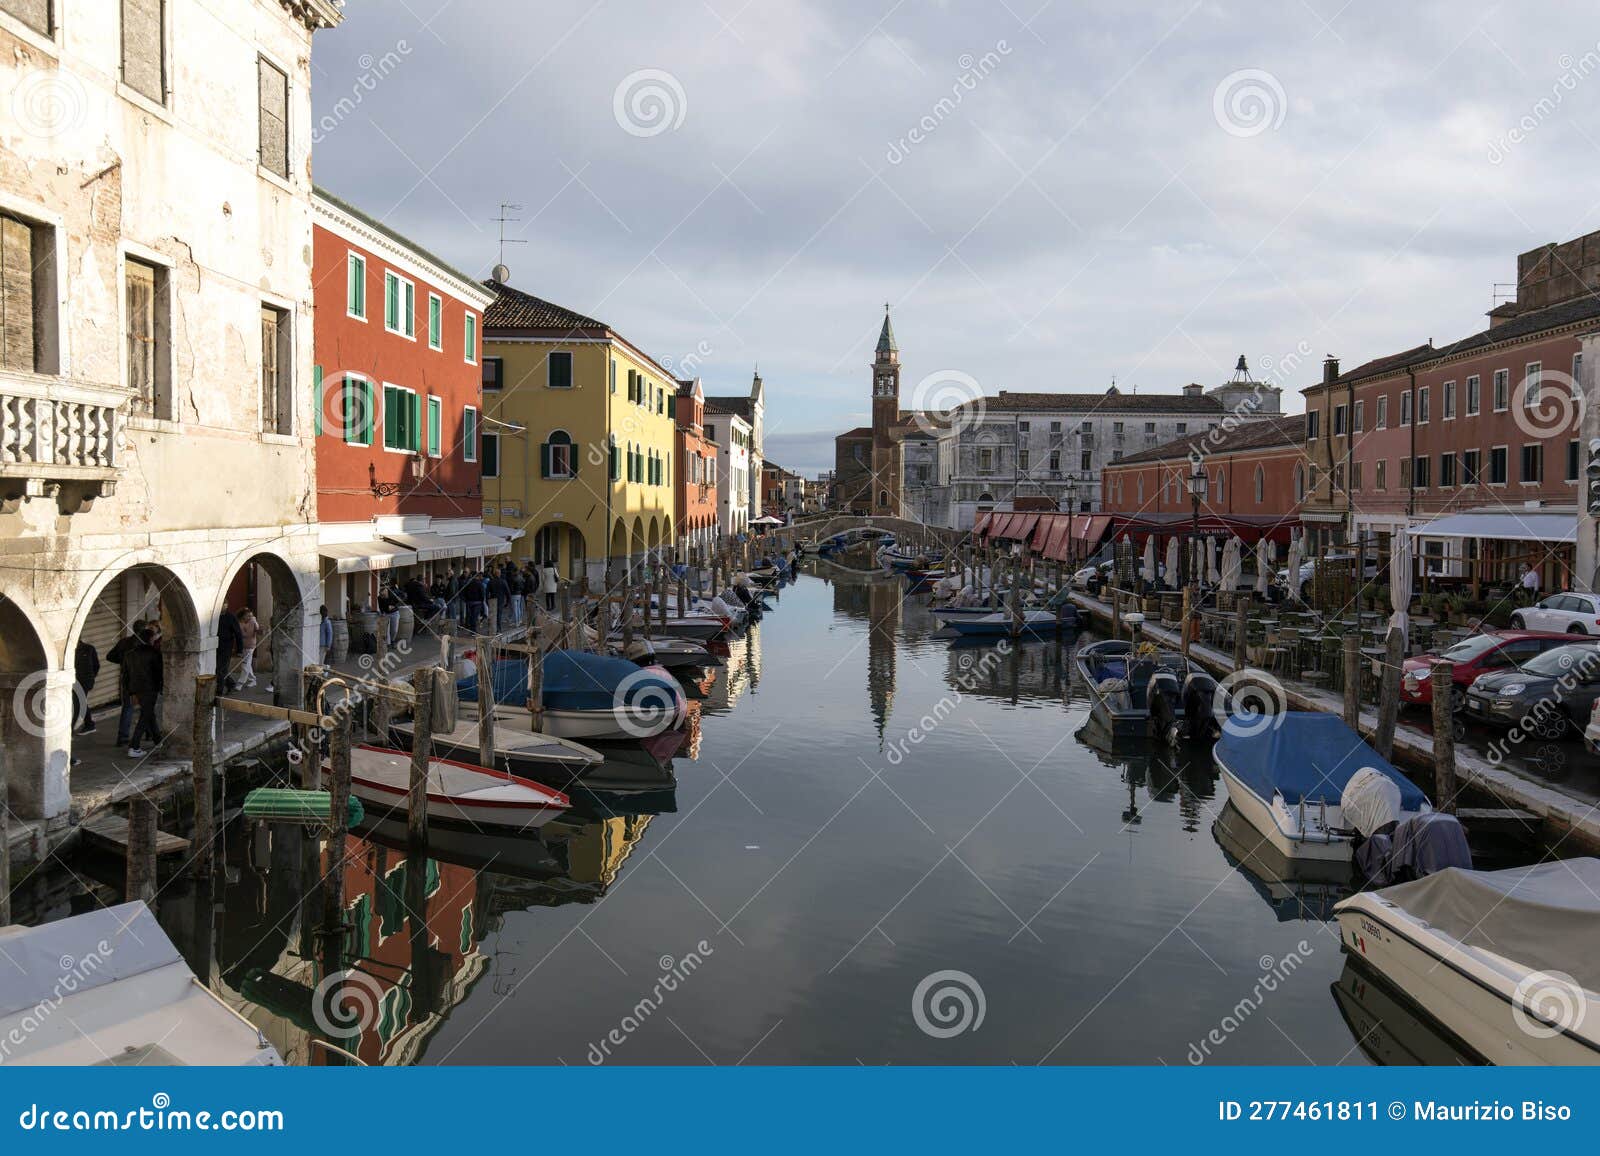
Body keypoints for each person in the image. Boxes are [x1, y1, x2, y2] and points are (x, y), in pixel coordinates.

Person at [125, 625, 164, 758]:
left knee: (149, 713)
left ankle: (158, 740)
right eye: (153, 637)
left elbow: (125, 674)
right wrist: (161, 687)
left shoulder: (130, 654)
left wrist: (129, 691)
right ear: (150, 638)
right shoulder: (154, 653)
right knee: (145, 715)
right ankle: (134, 746)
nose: (154, 639)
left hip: (136, 689)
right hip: (150, 688)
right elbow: (159, 672)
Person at [107, 620, 144, 747]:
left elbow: (110, 656)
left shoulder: (124, 642)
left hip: (126, 677)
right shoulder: (144, 644)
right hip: (141, 679)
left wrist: (123, 662)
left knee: (127, 707)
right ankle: (150, 734)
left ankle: (123, 737)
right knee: (146, 707)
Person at [73, 638, 100, 735]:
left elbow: (96, 665)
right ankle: (89, 724)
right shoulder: (70, 650)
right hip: (74, 681)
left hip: (85, 681)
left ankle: (71, 731)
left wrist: (91, 677)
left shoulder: (89, 649)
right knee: (80, 701)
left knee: (78, 703)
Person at [216, 606, 243, 692]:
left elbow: (238, 633)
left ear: (227, 605)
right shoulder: (215, 616)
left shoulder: (231, 617)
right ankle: (230, 684)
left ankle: (219, 691)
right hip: (215, 646)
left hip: (226, 647)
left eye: (224, 604)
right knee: (220, 669)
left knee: (220, 669)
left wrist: (240, 649)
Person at [237, 607, 261, 688]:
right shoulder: (239, 622)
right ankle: (253, 680)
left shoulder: (253, 621)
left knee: (245, 664)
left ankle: (240, 683)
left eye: (251, 616)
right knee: (248, 664)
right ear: (243, 616)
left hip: (251, 646)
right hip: (242, 645)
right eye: (248, 616)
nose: (249, 617)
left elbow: (258, 630)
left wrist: (261, 630)